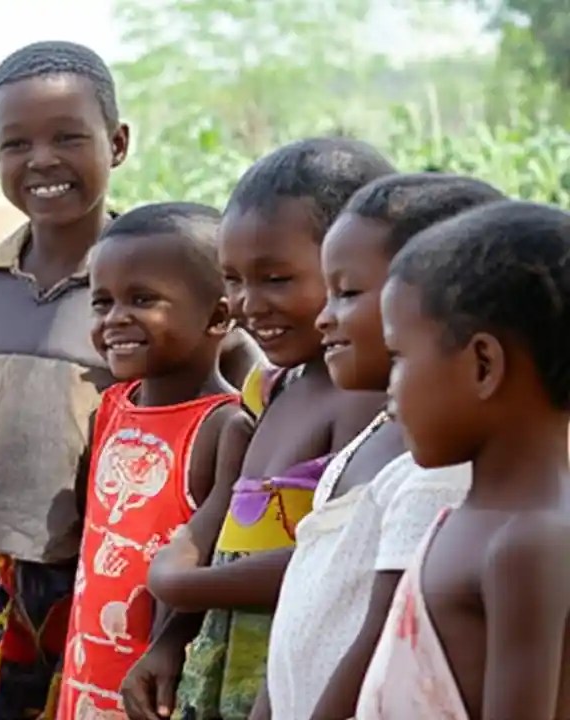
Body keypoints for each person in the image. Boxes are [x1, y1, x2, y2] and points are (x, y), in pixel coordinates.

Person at [0, 40, 259, 719]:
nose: (42, 160)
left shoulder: (164, 281)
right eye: (15, 144)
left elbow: (251, 391)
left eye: (68, 137)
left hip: (96, 576)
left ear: (119, 142)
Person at [125, 137, 396, 720]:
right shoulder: (270, 388)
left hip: (293, 676)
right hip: (226, 661)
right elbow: (219, 517)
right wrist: (170, 637)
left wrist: (181, 586)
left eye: (276, 279)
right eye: (233, 279)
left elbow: (329, 564)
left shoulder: (364, 406)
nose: (249, 304)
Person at [262, 173, 506, 720]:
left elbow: (379, 642)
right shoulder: (375, 433)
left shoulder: (436, 475)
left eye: (347, 293)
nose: (323, 316)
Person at [355, 200, 570, 719]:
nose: (390, 389)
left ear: (482, 365)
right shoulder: (469, 520)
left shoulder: (529, 542)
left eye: (399, 358)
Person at [56, 202, 244, 719]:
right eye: (101, 303)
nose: (116, 319)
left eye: (142, 300)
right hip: (87, 668)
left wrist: (169, 644)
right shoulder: (112, 407)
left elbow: (215, 557)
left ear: (219, 316)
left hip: (157, 681)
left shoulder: (224, 427)